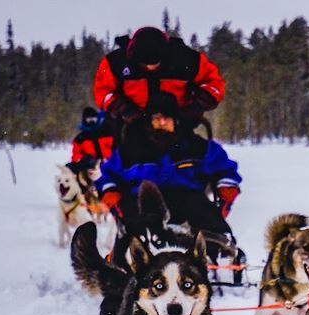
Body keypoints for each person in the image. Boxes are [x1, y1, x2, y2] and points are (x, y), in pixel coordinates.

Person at [96, 93, 241, 264]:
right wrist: (110, 191)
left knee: (205, 213)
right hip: (142, 200)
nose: (162, 123)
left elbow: (225, 168)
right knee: (135, 222)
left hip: (188, 198)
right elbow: (108, 175)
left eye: (167, 118)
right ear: (149, 121)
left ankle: (219, 253)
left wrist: (227, 186)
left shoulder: (196, 146)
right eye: (156, 118)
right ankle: (127, 261)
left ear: (176, 121)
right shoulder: (130, 150)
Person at [93, 26, 225, 126]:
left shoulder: (188, 60)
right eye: (145, 65)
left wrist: (198, 105)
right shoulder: (114, 63)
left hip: (178, 125)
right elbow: (102, 90)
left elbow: (214, 83)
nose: (150, 68)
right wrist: (122, 108)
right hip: (132, 125)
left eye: (156, 63)